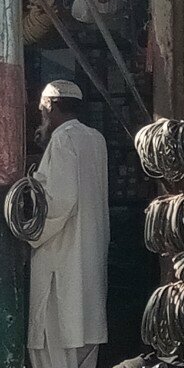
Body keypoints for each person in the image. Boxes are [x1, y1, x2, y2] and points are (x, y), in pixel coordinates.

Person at [28, 80, 109, 368]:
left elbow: (61, 201)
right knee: (83, 346)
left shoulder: (63, 139)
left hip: (61, 261)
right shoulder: (95, 138)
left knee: (55, 341)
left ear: (51, 106)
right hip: (88, 260)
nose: (41, 118)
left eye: (42, 111)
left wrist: (29, 235)